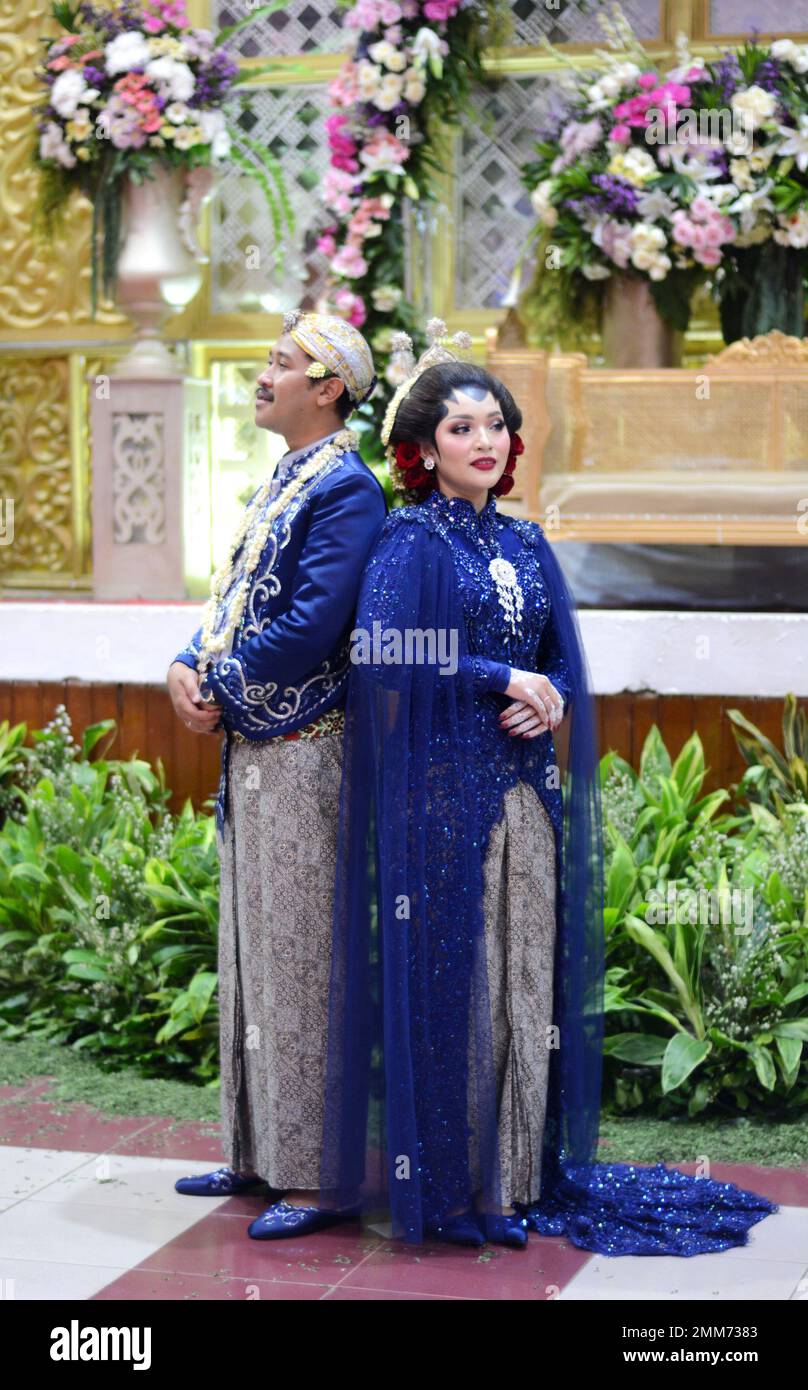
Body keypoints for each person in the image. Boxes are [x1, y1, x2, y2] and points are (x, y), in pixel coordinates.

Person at [310, 317, 779, 1254]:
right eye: (459, 429)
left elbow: (561, 659)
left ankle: (518, 1178)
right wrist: (498, 679)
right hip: (441, 802)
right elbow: (382, 653)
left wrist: (551, 694)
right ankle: (450, 1187)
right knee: (455, 984)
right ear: (422, 450)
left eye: (493, 426)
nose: (482, 442)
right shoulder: (409, 544)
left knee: (524, 981)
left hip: (526, 795)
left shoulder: (528, 546)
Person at [167, 309, 387, 1238]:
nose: (263, 374)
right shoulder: (285, 482)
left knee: (303, 960)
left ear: (328, 387)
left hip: (307, 753)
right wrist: (184, 660)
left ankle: (320, 1176)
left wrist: (215, 679)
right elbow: (235, 597)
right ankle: (259, 1153)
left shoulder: (347, 490)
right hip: (254, 748)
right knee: (254, 952)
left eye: (281, 363)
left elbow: (310, 625)